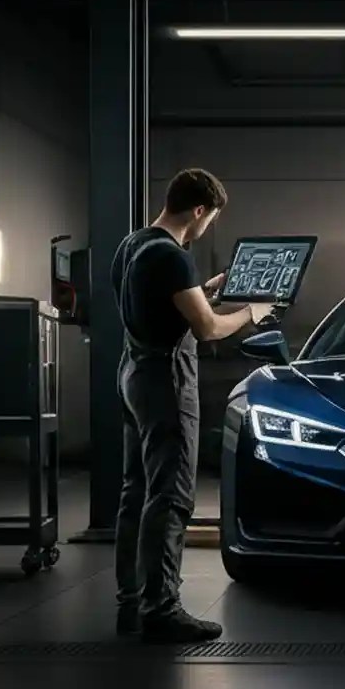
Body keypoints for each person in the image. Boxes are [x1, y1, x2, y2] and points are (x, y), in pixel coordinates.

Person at [110, 168, 270, 643]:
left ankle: (133, 602)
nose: (206, 228)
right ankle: (163, 610)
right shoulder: (174, 257)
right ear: (199, 211)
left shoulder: (133, 244)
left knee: (136, 491)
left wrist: (207, 291)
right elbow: (207, 330)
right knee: (173, 494)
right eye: (209, 218)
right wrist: (250, 312)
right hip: (166, 377)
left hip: (132, 371)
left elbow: (156, 301)